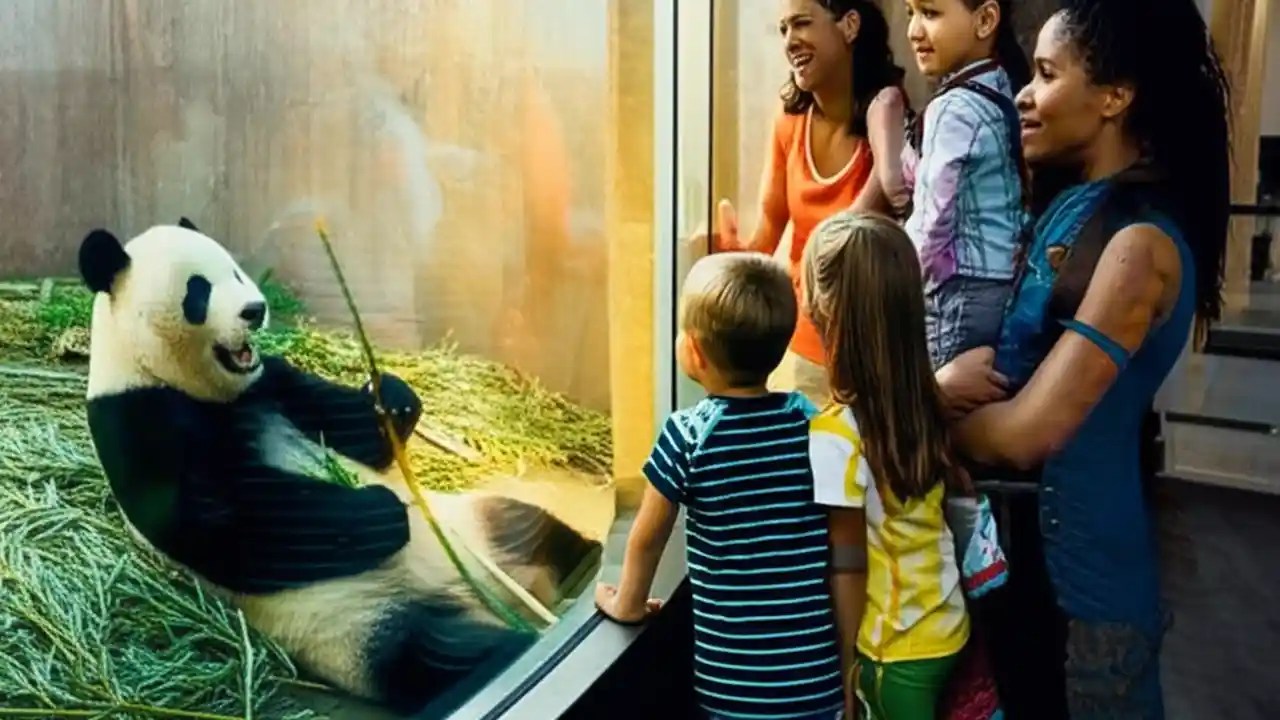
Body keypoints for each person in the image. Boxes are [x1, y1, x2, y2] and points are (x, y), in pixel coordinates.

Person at [936, 1, 1231, 717]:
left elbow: (1027, 434)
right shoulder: (1066, 211)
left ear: (1114, 96)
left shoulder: (1140, 248)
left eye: (1043, 74)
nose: (1023, 96)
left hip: (1082, 601)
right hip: (1020, 576)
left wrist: (924, 413)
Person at [595, 252, 844, 720]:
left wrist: (628, 602)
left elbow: (648, 537)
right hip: (816, 682)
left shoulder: (688, 435)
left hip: (734, 692)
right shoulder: (812, 425)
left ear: (693, 352)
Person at [803, 211, 974, 719]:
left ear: (826, 313)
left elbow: (849, 563)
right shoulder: (928, 405)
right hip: (949, 628)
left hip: (893, 652)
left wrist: (847, 669)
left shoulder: (835, 435)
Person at [705, 0, 910, 406]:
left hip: (868, 359)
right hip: (799, 351)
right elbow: (767, 237)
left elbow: (851, 240)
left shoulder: (887, 121)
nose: (789, 41)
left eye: (801, 24)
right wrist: (727, 254)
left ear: (849, 25)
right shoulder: (788, 122)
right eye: (783, 29)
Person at [901, 0, 1030, 370]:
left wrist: (897, 286)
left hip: (957, 292)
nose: (913, 30)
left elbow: (932, 222)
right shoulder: (1002, 83)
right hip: (1001, 286)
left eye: (931, 13)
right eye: (911, 13)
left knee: (937, 409)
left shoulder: (953, 107)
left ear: (985, 19)